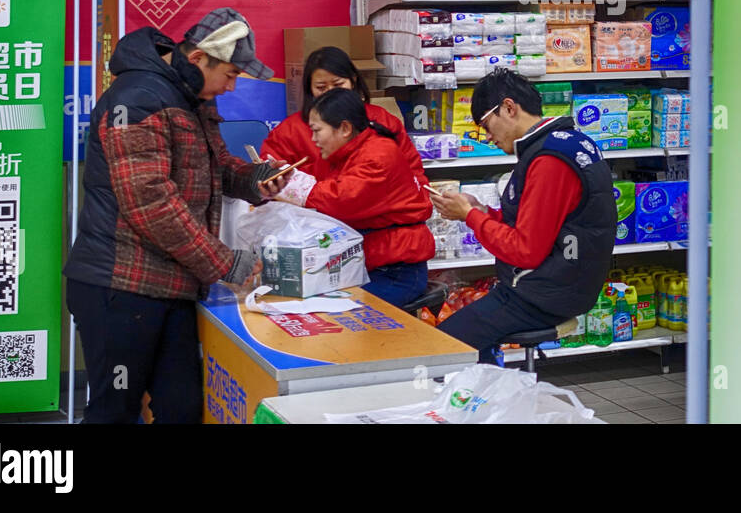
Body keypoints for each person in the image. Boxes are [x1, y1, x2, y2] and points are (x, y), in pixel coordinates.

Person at [63, 8, 287, 423]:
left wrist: (256, 180)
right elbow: (152, 205)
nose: (232, 85)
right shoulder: (137, 99)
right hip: (121, 288)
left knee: (182, 408)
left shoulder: (191, 97)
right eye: (231, 73)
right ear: (200, 58)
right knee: (115, 411)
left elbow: (217, 166)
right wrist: (225, 262)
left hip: (172, 287)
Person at [429, 69, 615, 363]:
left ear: (509, 108)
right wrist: (480, 210)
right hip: (559, 283)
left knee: (443, 349)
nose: (487, 137)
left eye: (486, 125)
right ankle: (486, 396)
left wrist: (470, 217)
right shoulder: (566, 143)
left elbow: (524, 250)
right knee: (466, 335)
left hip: (544, 295)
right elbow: (533, 222)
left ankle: (477, 402)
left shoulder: (549, 161)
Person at [285, 88, 434, 307]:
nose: (313, 139)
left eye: (317, 131)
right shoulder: (348, 152)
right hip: (370, 262)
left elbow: (341, 199)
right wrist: (287, 175)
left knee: (341, 313)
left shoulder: (378, 155)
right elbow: (317, 174)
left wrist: (293, 187)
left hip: (397, 272)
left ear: (344, 128)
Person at [260, 45, 428, 187]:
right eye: (321, 87)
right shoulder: (290, 130)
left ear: (353, 80)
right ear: (309, 89)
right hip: (314, 218)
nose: (331, 92)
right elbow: (268, 175)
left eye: (338, 84)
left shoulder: (381, 119)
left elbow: (412, 170)